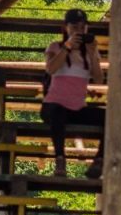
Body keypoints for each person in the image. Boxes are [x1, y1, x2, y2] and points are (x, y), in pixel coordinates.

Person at [42, 9, 104, 178]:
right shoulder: (55, 47)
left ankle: (99, 160)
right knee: (58, 112)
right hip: (54, 106)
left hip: (77, 108)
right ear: (65, 28)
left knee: (109, 117)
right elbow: (50, 69)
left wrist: (92, 53)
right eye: (75, 27)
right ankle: (60, 159)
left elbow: (99, 79)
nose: (79, 31)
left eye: (83, 27)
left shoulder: (90, 52)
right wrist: (67, 47)